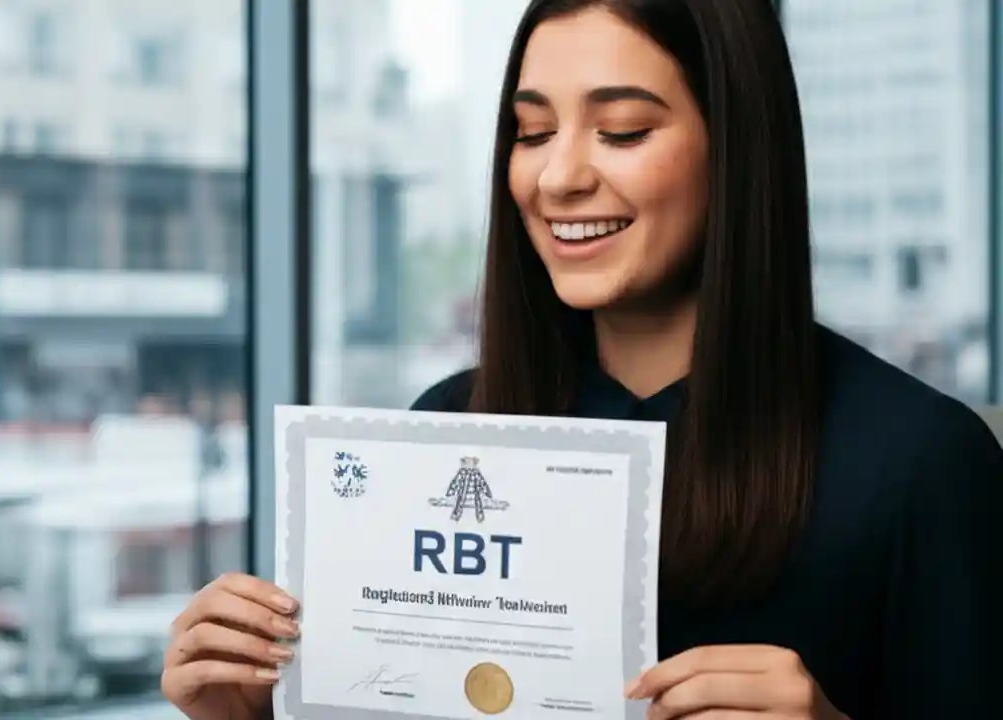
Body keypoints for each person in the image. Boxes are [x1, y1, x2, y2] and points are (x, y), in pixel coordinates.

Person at [162, 1, 1003, 718]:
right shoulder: (445, 429)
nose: (557, 176)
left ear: (736, 148)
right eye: (532, 131)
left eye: (622, 129)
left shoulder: (923, 462)